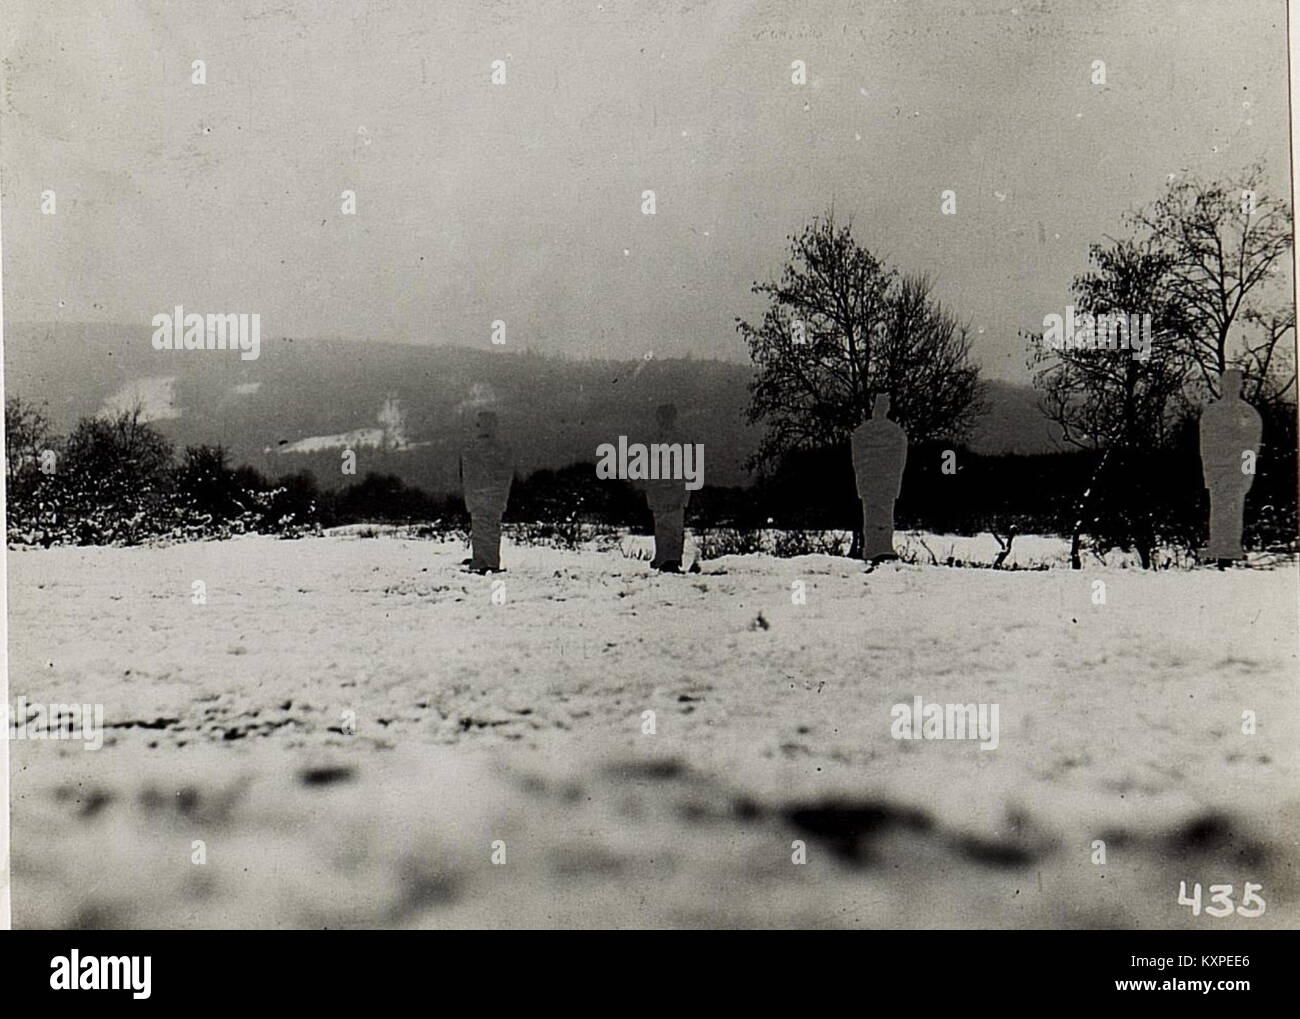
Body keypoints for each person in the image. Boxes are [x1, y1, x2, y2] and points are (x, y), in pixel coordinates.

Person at [1199, 368, 1262, 566]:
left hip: (1236, 472)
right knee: (1218, 512)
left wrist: (1247, 474)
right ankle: (1218, 547)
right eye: (1228, 382)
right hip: (1218, 471)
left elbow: (1251, 448)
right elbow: (1206, 446)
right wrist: (1208, 473)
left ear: (1241, 385)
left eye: (1236, 382)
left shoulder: (1248, 414)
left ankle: (1231, 548)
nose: (1232, 387)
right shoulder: (1212, 413)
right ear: (1222, 384)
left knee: (1234, 513)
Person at [850, 393, 908, 562]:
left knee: (871, 518)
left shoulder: (862, 432)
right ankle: (880, 548)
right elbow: (900, 458)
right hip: (886, 482)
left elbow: (857, 458)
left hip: (869, 482)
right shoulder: (895, 433)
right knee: (884, 518)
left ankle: (873, 548)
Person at [459, 410, 514, 572]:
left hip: (482, 496)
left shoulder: (472, 449)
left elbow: (467, 474)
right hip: (489, 496)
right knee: (487, 528)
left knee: (484, 528)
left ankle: (486, 561)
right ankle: (484, 560)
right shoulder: (502, 448)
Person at [645, 403, 688, 572]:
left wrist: (684, 490)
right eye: (661, 417)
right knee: (661, 525)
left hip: (675, 487)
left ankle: (672, 560)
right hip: (658, 488)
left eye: (667, 417)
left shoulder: (681, 439)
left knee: (675, 525)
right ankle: (663, 558)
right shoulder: (652, 440)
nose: (663, 420)